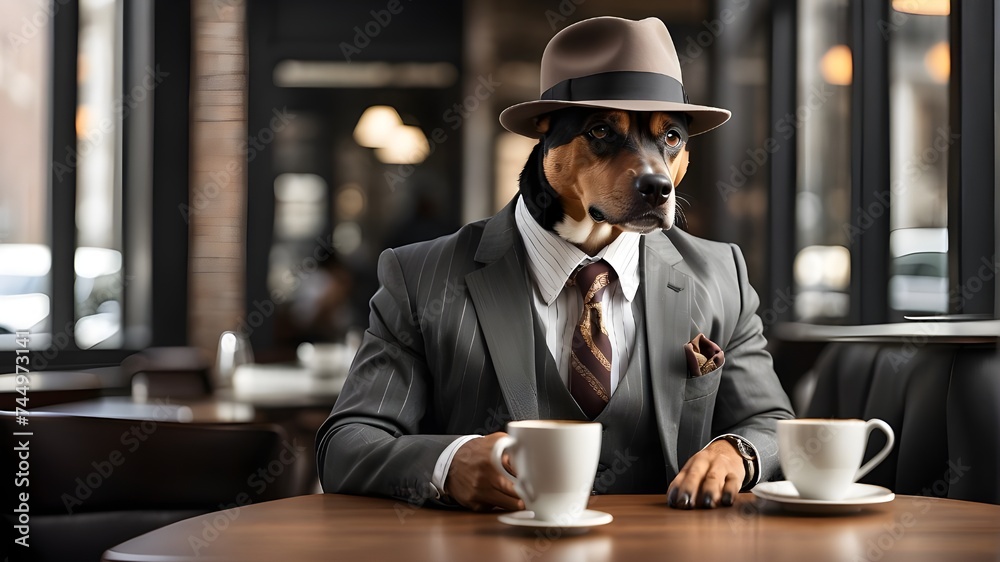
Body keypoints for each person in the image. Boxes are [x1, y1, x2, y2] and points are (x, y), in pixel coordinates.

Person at [316, 16, 794, 511]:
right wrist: (447, 463)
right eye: (604, 132)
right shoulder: (421, 278)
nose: (652, 172)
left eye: (668, 138)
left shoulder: (720, 276)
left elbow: (771, 424)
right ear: (545, 138)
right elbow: (347, 445)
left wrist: (737, 452)